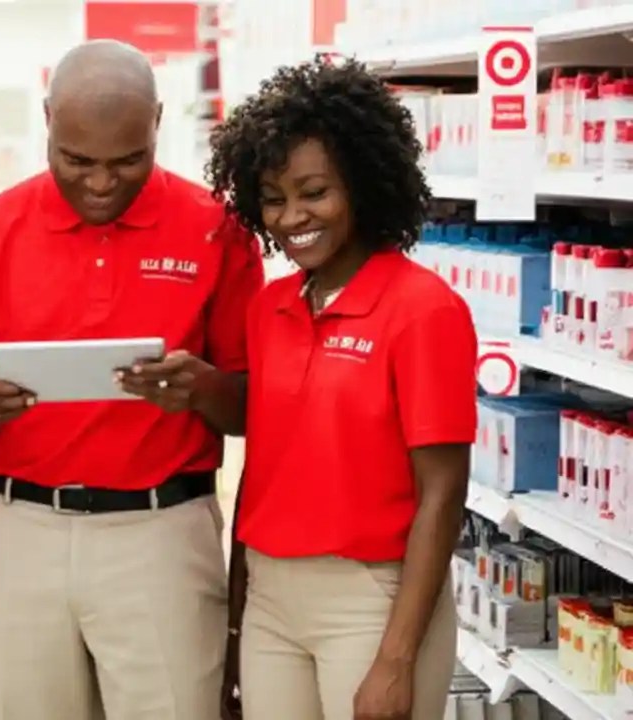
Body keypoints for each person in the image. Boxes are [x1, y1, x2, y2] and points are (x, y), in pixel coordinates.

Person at [0, 39, 263, 720]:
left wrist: (199, 387)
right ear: (47, 120)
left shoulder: (216, 230)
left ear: (158, 123)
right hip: (22, 530)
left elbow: (251, 407)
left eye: (128, 161)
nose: (101, 183)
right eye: (77, 161)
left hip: (162, 531)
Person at [207, 57, 474, 720]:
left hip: (374, 600)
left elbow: (443, 493)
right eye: (274, 197)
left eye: (314, 191)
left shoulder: (423, 309)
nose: (293, 215)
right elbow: (259, 474)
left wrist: (396, 659)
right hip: (270, 600)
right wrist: (236, 627)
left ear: (361, 183)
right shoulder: (268, 308)